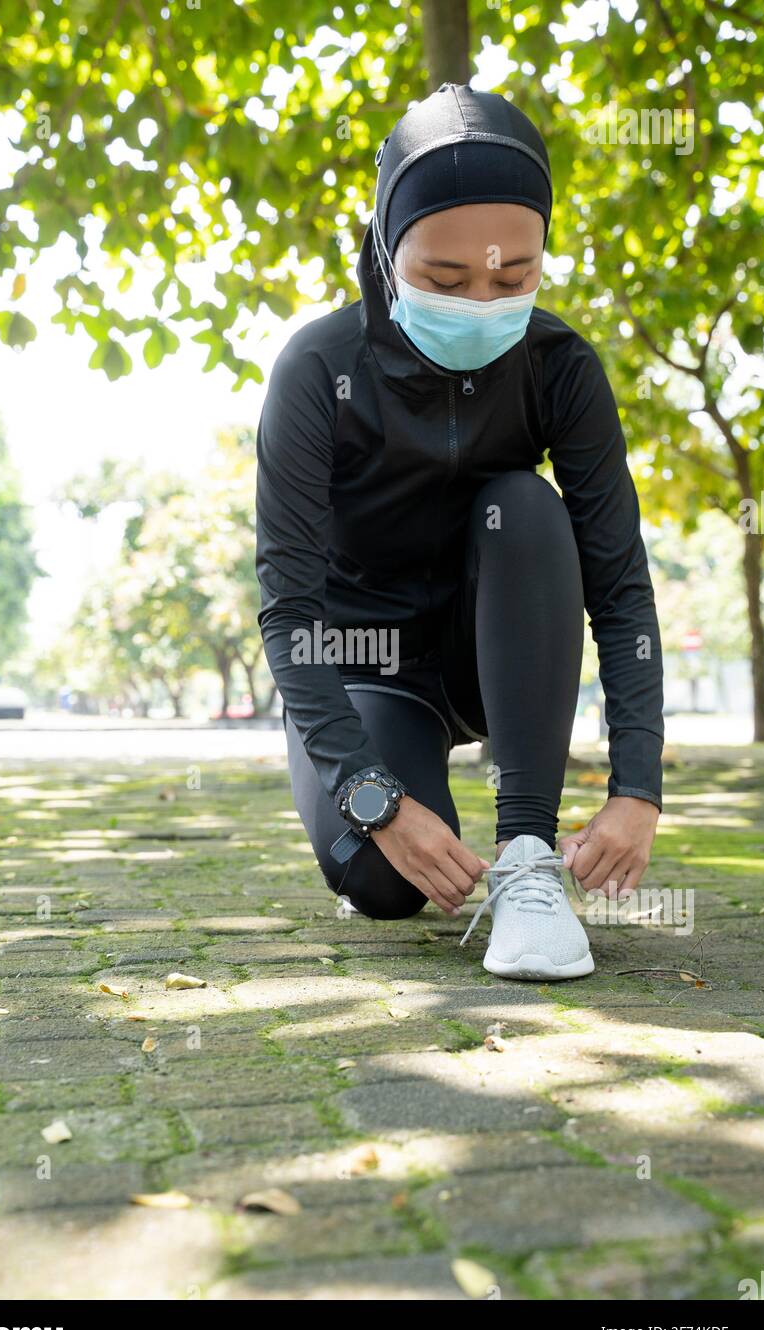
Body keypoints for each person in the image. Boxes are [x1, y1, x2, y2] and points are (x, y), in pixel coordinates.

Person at [255, 83, 664, 981]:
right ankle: (398, 794)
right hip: (369, 669)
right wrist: (376, 799)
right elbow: (288, 612)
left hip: (498, 656)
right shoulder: (316, 370)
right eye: (444, 281)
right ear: (386, 251)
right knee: (384, 886)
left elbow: (621, 588)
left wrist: (638, 789)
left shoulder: (562, 369)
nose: (482, 300)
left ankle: (526, 857)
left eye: (514, 278)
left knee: (519, 502)